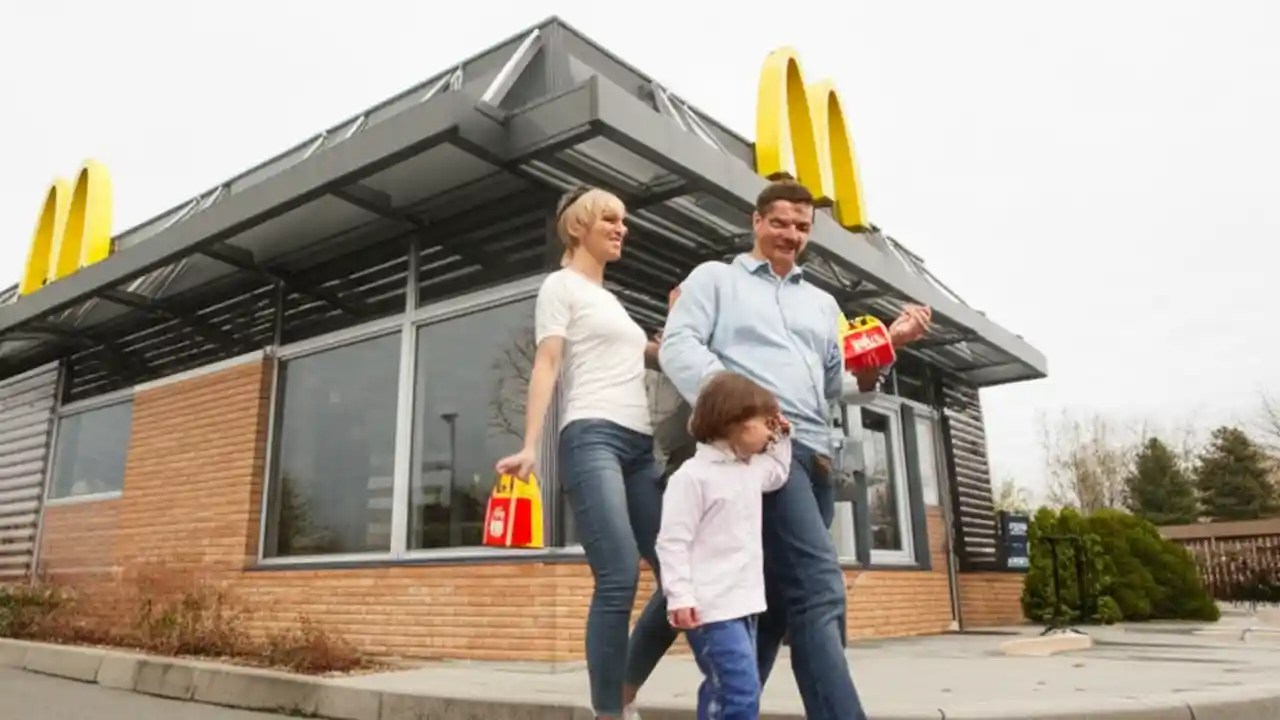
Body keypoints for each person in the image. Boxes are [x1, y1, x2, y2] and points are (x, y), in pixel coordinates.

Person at [656, 173, 932, 720]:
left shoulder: (823, 304)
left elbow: (836, 385)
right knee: (820, 592)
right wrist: (744, 407)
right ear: (756, 222)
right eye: (779, 222)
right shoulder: (715, 280)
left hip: (816, 452)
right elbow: (678, 345)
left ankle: (731, 710)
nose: (790, 233)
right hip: (761, 453)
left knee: (777, 603)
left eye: (801, 227)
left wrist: (887, 347)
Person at [494, 185, 668, 720]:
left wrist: (678, 334)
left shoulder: (612, 301)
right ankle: (607, 714)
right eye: (610, 219)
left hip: (640, 445)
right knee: (618, 574)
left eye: (624, 222)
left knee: (683, 571)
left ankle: (623, 687)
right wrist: (530, 444)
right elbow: (547, 363)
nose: (622, 229)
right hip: (592, 435)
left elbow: (650, 358)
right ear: (579, 227)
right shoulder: (560, 286)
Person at [656, 371, 792, 720]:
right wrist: (680, 596)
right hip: (711, 609)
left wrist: (783, 438)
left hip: (745, 604)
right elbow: (673, 541)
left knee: (724, 688)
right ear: (736, 422)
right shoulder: (692, 477)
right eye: (765, 422)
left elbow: (778, 472)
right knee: (741, 693)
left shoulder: (750, 469)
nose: (769, 430)